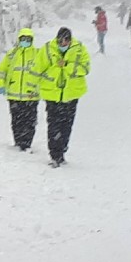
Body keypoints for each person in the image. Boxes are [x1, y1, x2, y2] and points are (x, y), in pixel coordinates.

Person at [31, 27, 91, 167]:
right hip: (52, 94)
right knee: (53, 125)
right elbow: (36, 69)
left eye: (65, 41)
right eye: (60, 41)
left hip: (71, 95)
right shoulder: (47, 49)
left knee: (66, 125)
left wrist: (68, 66)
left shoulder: (80, 49)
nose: (62, 44)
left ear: (70, 40)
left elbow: (86, 68)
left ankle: (62, 149)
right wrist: (32, 88)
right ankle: (54, 155)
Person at [0, 27, 40, 151]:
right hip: (14, 95)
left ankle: (27, 143)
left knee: (30, 121)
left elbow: (45, 73)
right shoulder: (12, 54)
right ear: (19, 39)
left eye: (28, 39)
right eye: (23, 39)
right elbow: (1, 70)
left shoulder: (37, 54)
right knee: (16, 121)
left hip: (31, 95)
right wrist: (0, 84)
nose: (25, 41)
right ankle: (18, 142)